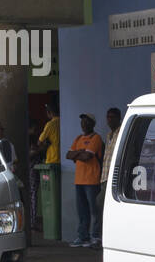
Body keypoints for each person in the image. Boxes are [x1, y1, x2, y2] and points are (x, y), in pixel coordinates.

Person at [66, 113, 105, 248]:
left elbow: (87, 156)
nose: (83, 124)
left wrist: (78, 153)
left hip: (92, 180)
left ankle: (95, 236)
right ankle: (83, 237)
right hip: (79, 180)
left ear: (92, 124)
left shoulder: (96, 138)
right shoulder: (78, 138)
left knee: (95, 210)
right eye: (82, 122)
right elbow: (68, 155)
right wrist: (79, 152)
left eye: (86, 121)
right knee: (82, 211)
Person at [93, 106, 123, 242]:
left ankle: (103, 238)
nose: (109, 120)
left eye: (112, 117)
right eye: (108, 117)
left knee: (100, 203)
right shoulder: (108, 135)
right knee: (101, 206)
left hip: (113, 177)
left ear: (118, 118)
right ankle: (103, 237)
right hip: (104, 176)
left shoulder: (120, 133)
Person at [31, 99, 61, 232]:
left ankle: (41, 224)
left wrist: (42, 146)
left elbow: (39, 142)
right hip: (62, 162)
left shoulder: (50, 124)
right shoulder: (64, 121)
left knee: (47, 198)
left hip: (51, 161)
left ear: (49, 113)